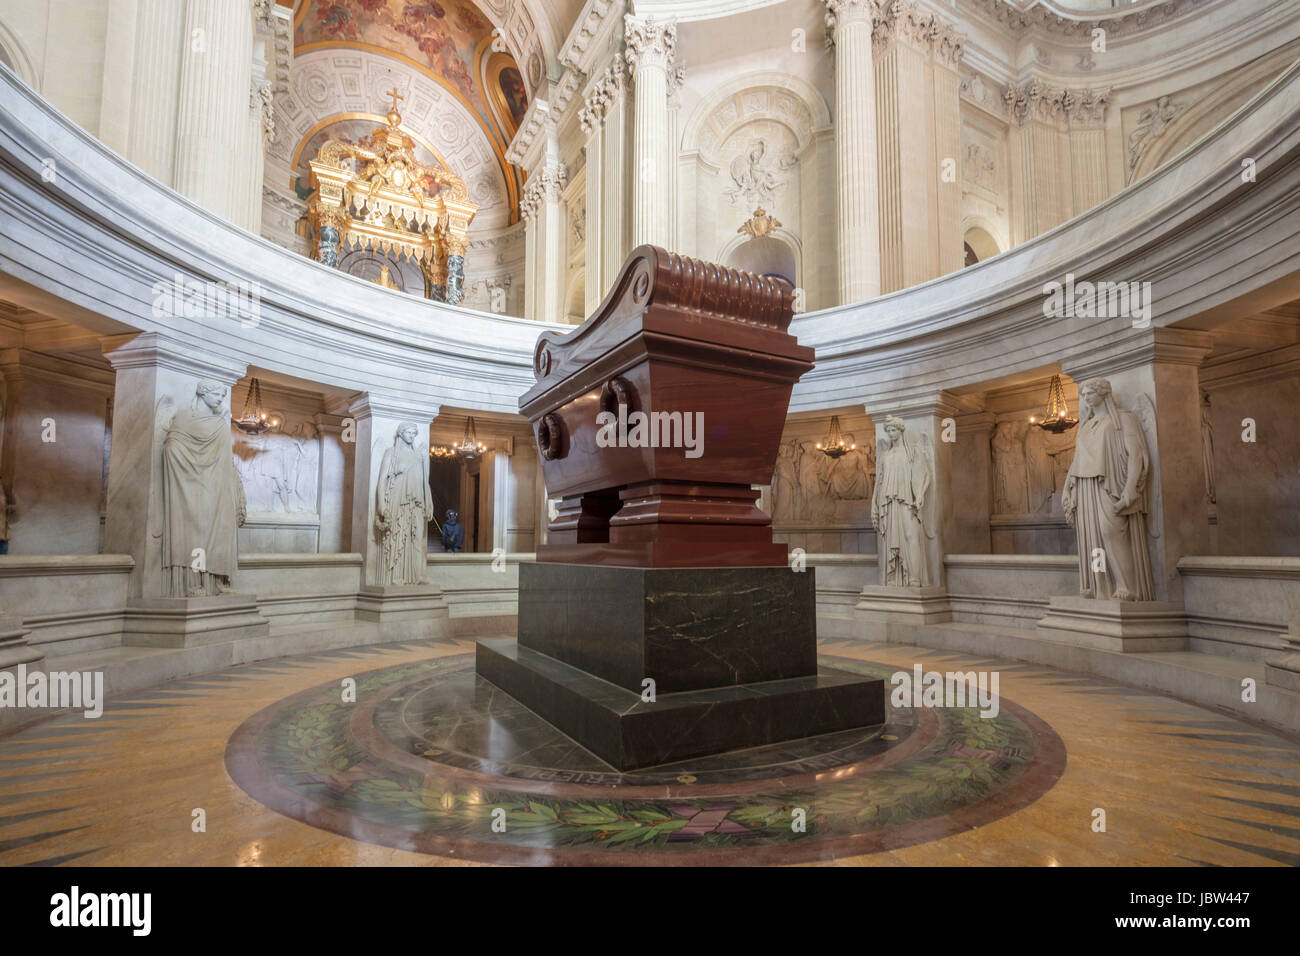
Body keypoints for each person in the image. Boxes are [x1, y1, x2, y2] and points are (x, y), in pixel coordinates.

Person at [1062, 378, 1155, 601]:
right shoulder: (1086, 424)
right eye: (1083, 395)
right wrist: (1067, 488)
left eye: (1089, 393)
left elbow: (1136, 454)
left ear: (1104, 394)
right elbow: (1077, 460)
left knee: (1110, 531)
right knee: (1091, 537)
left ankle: (1128, 586)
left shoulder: (1123, 418)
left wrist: (1131, 487)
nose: (1085, 398)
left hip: (1109, 483)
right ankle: (1099, 586)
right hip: (1084, 485)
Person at [161, 381, 245, 596]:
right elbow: (171, 446)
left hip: (216, 486)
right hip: (187, 483)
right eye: (217, 394)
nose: (220, 399)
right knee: (190, 528)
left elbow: (226, 459)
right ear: (202, 392)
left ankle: (215, 581)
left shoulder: (219, 423)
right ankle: (191, 583)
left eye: (222, 395)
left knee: (221, 529)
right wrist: (189, 466)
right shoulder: (183, 418)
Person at [870, 416, 933, 587]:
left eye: (894, 430)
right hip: (887, 500)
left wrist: (919, 495)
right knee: (890, 539)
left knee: (910, 535)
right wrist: (873, 506)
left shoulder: (911, 451)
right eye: (888, 430)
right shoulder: (885, 454)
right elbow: (879, 481)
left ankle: (914, 577)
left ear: (901, 430)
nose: (891, 434)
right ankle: (893, 577)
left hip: (906, 500)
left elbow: (925, 475)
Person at [375, 422, 433, 585]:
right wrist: (381, 505)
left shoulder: (419, 456)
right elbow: (381, 481)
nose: (412, 436)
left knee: (417, 538)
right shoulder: (391, 453)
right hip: (398, 499)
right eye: (409, 432)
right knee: (398, 536)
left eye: (414, 433)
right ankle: (396, 576)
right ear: (401, 434)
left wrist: (429, 502)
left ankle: (417, 575)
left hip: (417, 502)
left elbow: (425, 481)